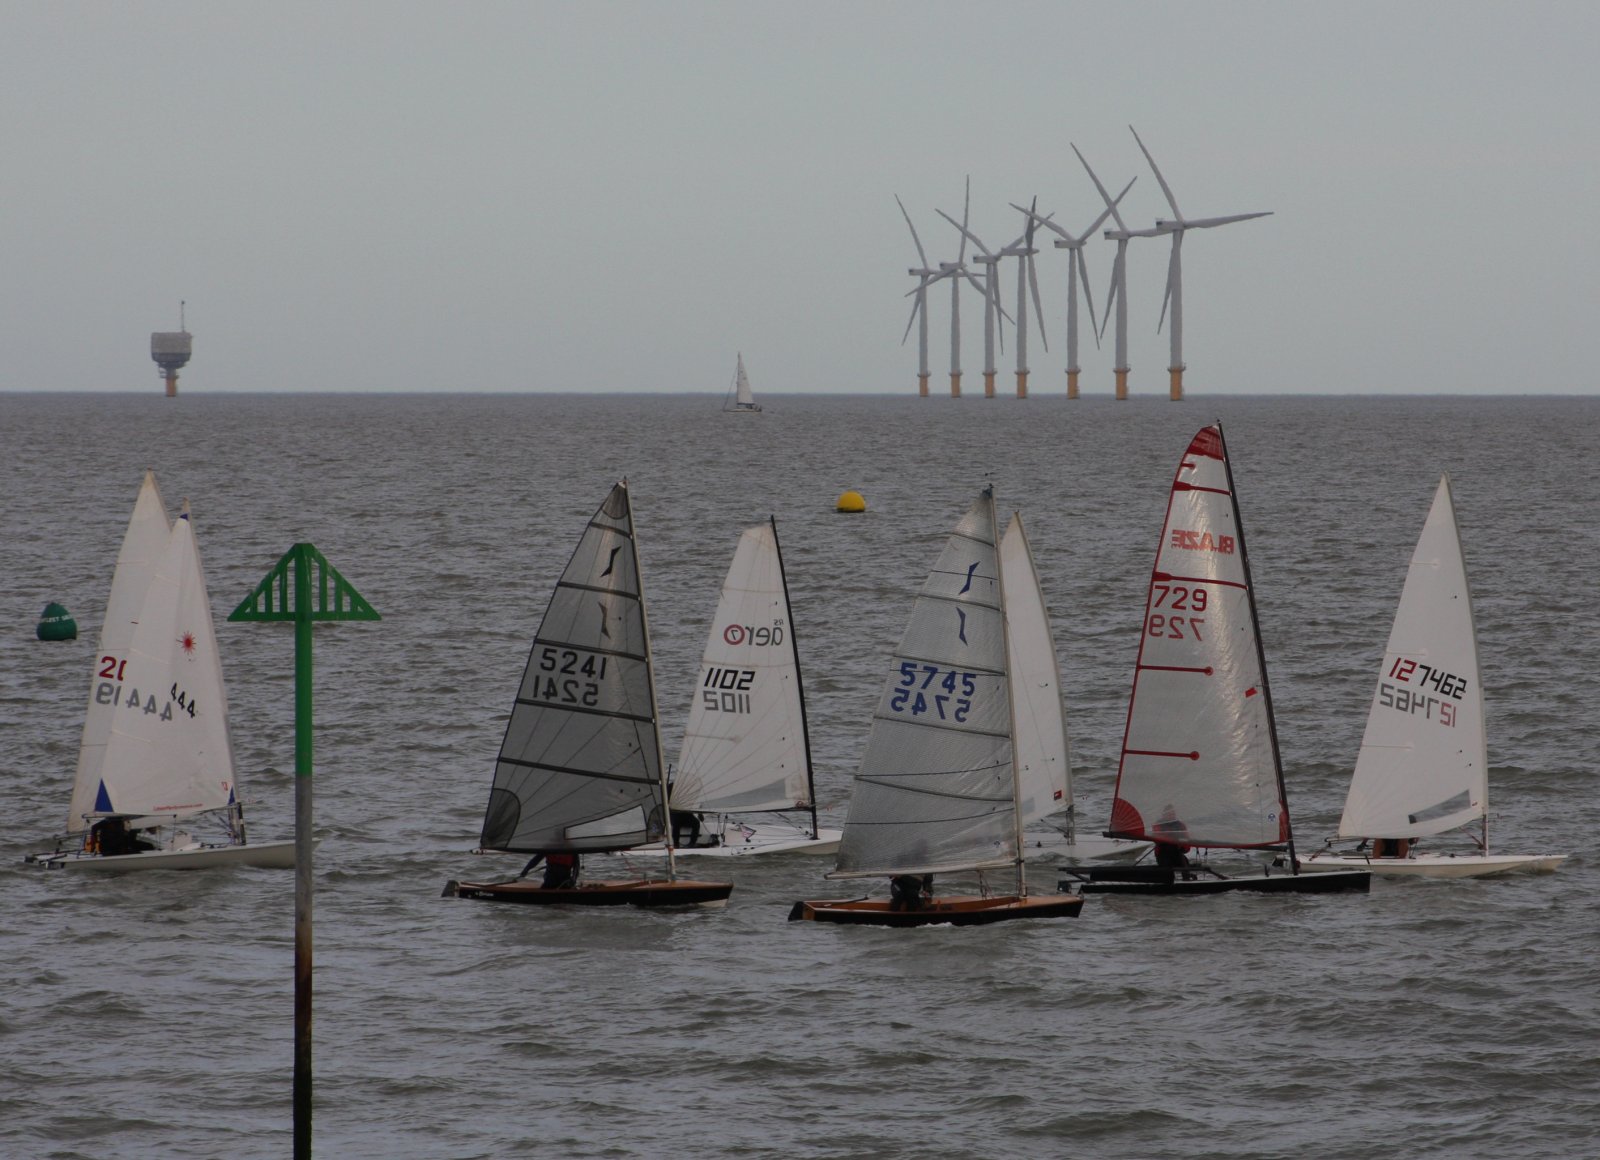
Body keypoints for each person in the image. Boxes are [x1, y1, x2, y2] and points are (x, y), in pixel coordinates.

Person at [1152, 804, 1194, 878]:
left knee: (1185, 864)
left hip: (1177, 852)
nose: (1171, 815)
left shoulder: (1180, 825)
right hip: (1163, 853)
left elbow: (1186, 840)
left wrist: (1184, 847)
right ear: (1164, 814)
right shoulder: (1158, 825)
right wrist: (1173, 836)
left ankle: (1187, 880)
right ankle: (1168, 881)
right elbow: (1157, 838)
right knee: (1167, 871)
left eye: (1173, 814)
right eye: (1169, 814)